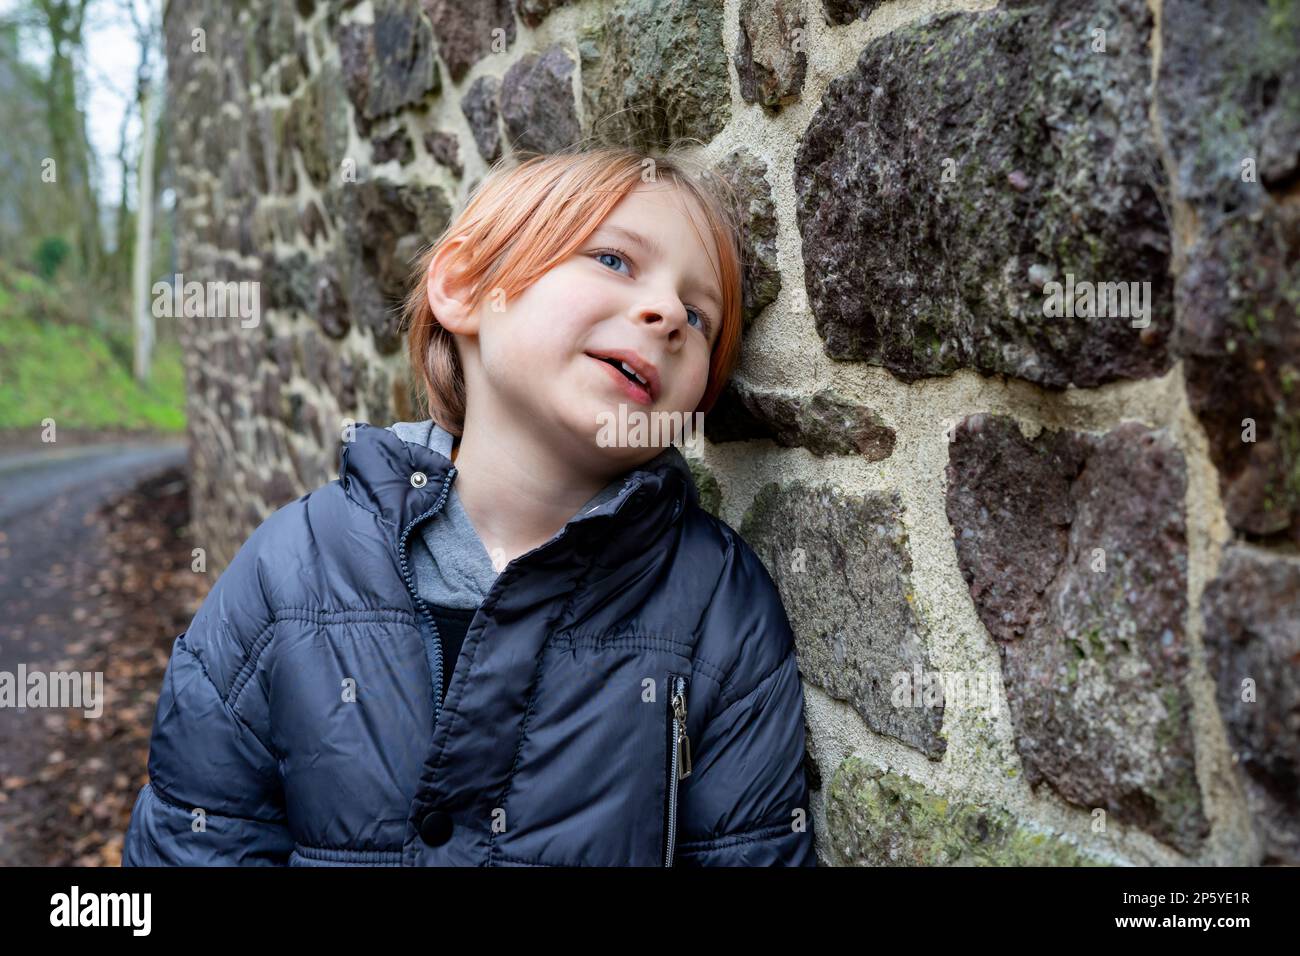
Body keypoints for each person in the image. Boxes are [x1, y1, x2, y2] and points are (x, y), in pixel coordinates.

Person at [122, 144, 817, 866]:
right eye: (613, 260)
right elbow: (194, 843)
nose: (669, 313)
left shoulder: (719, 608)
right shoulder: (289, 572)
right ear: (464, 285)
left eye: (700, 317)